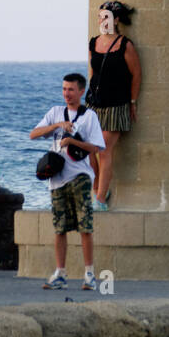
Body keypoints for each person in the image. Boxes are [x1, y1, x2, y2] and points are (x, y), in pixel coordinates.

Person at [29, 73, 105, 291]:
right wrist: (56, 126)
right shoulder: (55, 113)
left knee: (85, 226)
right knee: (59, 228)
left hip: (80, 176)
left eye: (71, 90)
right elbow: (33, 135)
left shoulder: (89, 116)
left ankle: (89, 274)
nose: (66, 94)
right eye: (64, 89)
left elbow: (97, 148)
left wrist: (72, 140)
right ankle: (60, 273)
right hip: (57, 179)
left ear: (81, 91)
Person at [87, 0, 141, 209]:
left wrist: (133, 102)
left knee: (104, 151)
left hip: (116, 105)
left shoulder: (125, 45)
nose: (102, 20)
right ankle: (99, 188)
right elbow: (93, 73)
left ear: (116, 20)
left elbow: (136, 74)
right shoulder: (93, 43)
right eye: (100, 16)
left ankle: (100, 200)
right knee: (88, 150)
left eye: (106, 17)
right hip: (94, 105)